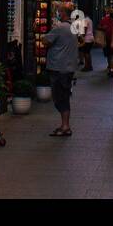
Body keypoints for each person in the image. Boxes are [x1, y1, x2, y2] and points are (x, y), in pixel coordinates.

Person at [43, 8, 79, 137]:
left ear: (63, 14)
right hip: (68, 67)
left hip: (59, 67)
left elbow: (45, 41)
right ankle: (65, 125)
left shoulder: (60, 27)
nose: (58, 14)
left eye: (59, 12)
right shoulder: (73, 27)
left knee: (60, 97)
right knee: (64, 95)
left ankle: (65, 126)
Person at [98, 6, 113, 78]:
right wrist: (103, 28)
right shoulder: (105, 19)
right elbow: (99, 26)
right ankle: (110, 66)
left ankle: (112, 69)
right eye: (111, 11)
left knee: (112, 55)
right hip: (107, 40)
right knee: (109, 55)